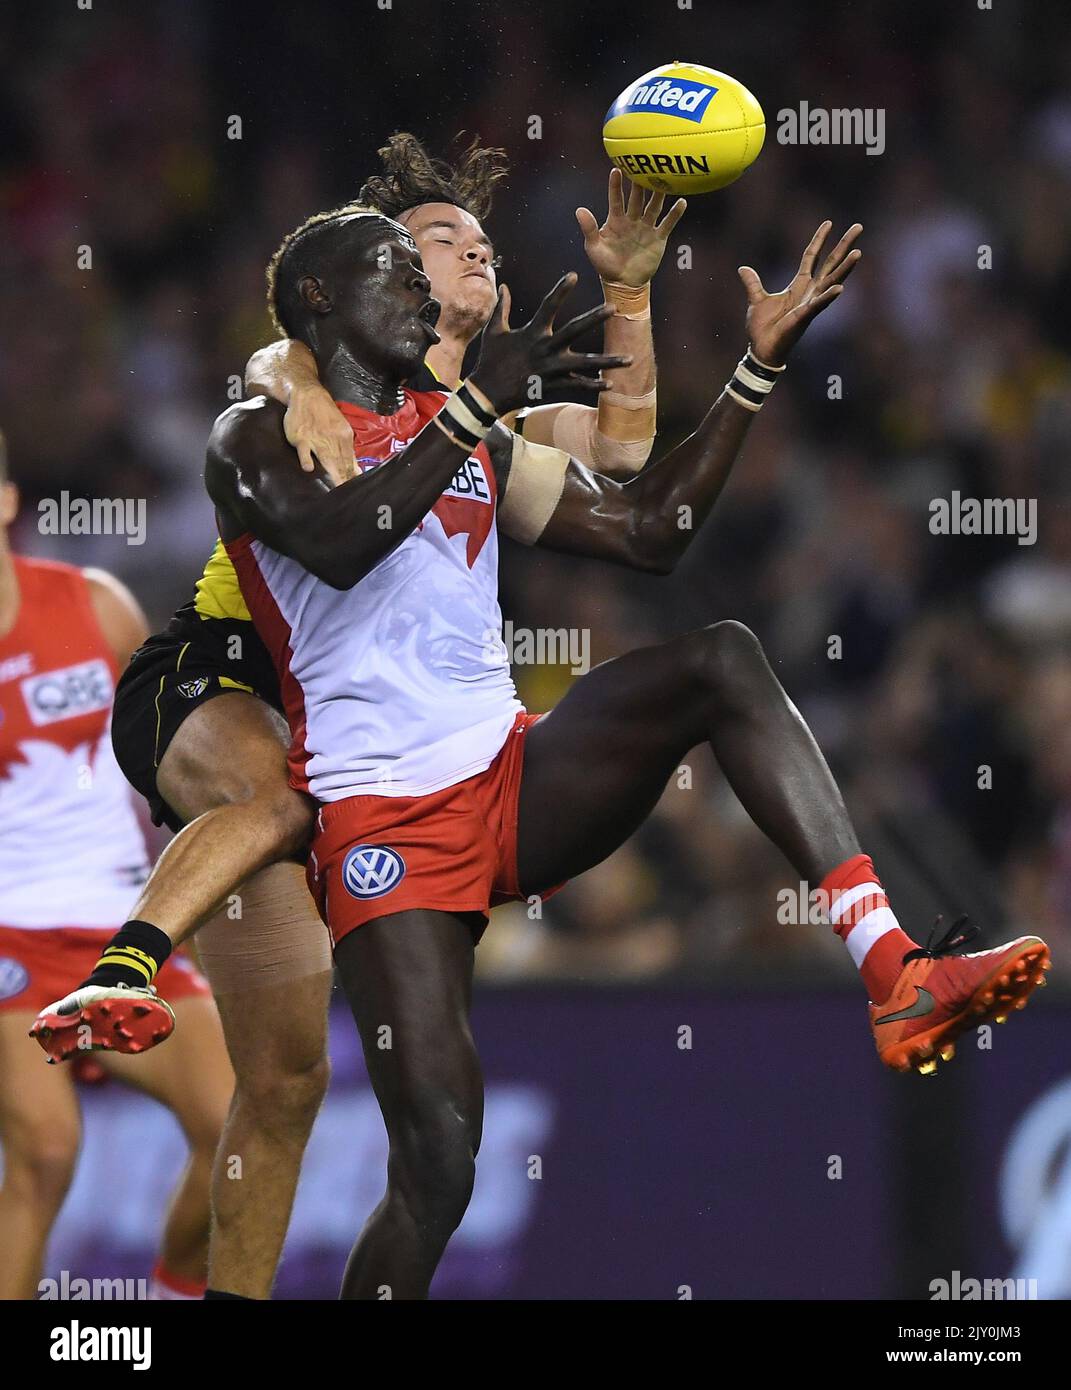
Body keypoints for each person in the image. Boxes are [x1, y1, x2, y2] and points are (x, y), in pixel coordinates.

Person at [48, 197, 1048, 1300]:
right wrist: (471, 402)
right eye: (397, 265)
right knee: (438, 1163)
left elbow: (651, 530)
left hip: (516, 774)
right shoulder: (256, 431)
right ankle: (135, 962)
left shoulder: (465, 432)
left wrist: (752, 375)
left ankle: (893, 967)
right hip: (387, 826)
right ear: (320, 304)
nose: (422, 287)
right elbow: (336, 546)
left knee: (720, 657)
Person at [31, 135, 684, 1301]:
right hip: (225, 674)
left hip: (358, 735)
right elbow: (271, 360)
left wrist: (630, 297)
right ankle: (125, 961)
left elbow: (628, 471)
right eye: (432, 243)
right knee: (278, 798)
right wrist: (286, 368)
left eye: (479, 246)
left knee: (283, 1083)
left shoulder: (472, 415)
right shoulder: (321, 371)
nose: (458, 260)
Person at [0, 432, 233, 1300]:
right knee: (48, 1150)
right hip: (10, 937)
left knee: (235, 1129)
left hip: (122, 929)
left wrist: (192, 907)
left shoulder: (97, 606)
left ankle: (172, 1295)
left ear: (8, 501)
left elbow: (162, 769)